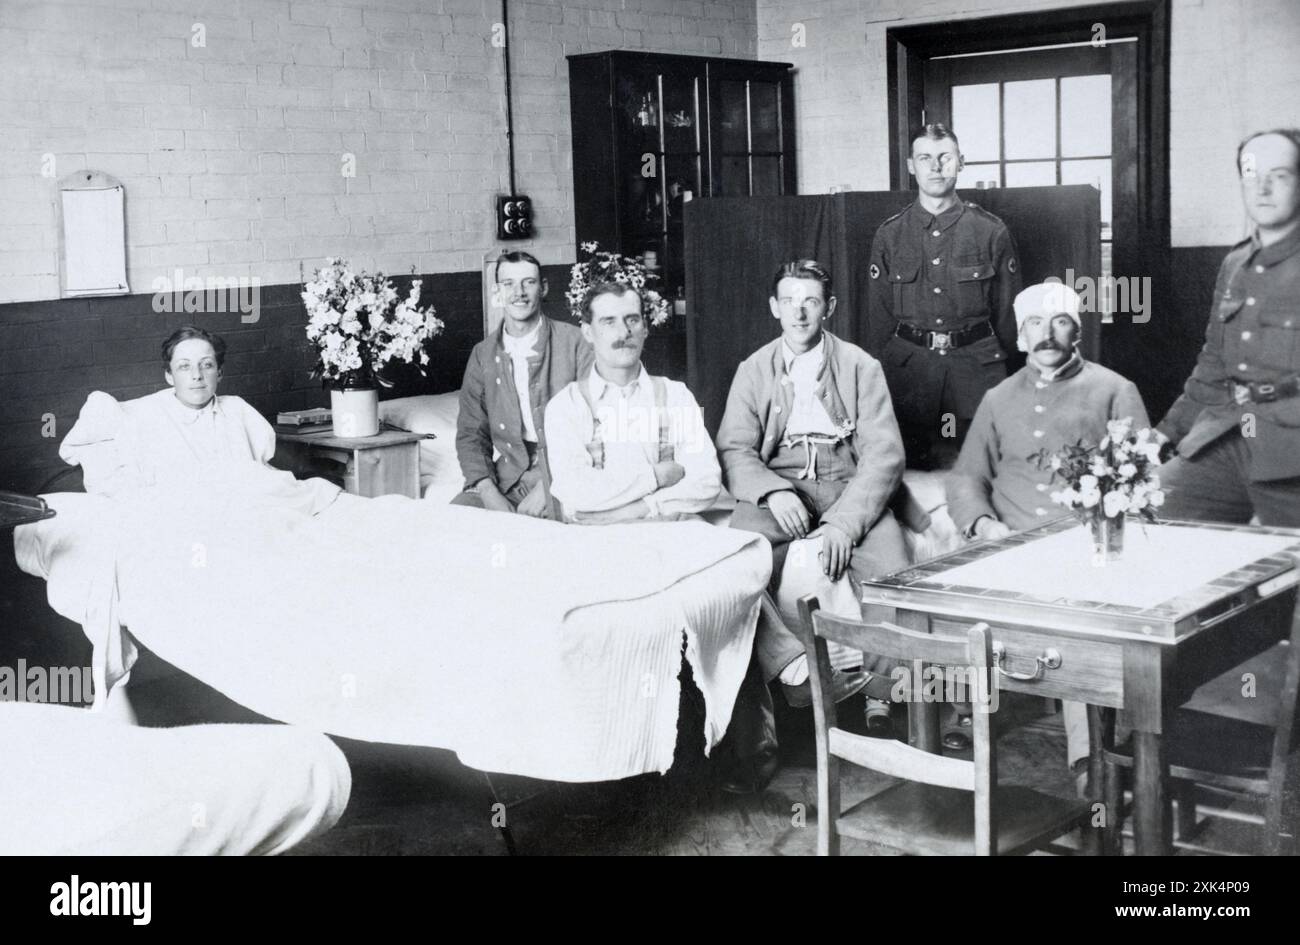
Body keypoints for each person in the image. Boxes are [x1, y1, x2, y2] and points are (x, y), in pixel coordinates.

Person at [715, 259, 914, 791]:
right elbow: (734, 447)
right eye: (789, 300)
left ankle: (881, 697)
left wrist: (846, 524)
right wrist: (773, 491)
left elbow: (884, 456)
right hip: (777, 485)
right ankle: (788, 678)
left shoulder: (859, 366)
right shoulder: (753, 368)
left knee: (893, 572)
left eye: (811, 300)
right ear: (773, 307)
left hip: (848, 482)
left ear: (829, 307)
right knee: (733, 571)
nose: (800, 311)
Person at [946, 281, 1149, 789]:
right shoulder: (998, 397)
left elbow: (1142, 480)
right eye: (1034, 324)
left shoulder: (1114, 389)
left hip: (1083, 551)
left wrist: (1105, 538)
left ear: (1077, 331)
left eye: (1058, 322)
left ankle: (1088, 764)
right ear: (1020, 337)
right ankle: (960, 740)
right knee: (946, 604)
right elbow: (967, 475)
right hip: (1006, 544)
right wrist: (982, 523)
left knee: (1074, 624)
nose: (1047, 334)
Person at [1157, 129, 1300, 528]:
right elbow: (1213, 366)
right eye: (1252, 174)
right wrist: (1164, 432)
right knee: (1140, 511)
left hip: (1293, 452)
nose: (1264, 187)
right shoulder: (1235, 265)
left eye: (1281, 175)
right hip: (1231, 433)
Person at [868, 123, 1022, 469]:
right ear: (911, 166)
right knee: (906, 470)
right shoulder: (890, 234)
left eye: (945, 157)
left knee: (981, 467)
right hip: (911, 379)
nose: (935, 167)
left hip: (976, 374)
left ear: (961, 162)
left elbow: (1008, 317)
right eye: (925, 158)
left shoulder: (990, 230)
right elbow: (879, 319)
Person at [59, 326, 339, 514]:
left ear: (219, 373)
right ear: (169, 375)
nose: (196, 375)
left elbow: (260, 471)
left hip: (246, 504)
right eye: (184, 366)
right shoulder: (143, 416)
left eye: (206, 365)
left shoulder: (237, 410)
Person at [545, 279, 720, 523]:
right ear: (587, 332)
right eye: (609, 322)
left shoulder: (676, 395)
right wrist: (655, 477)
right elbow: (575, 491)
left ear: (645, 328)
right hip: (595, 541)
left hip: (668, 531)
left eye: (632, 320)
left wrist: (638, 509)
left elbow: (707, 481)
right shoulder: (567, 406)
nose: (624, 333)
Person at [453, 251, 592, 517]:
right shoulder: (483, 354)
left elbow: (596, 427)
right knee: (456, 523)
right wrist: (489, 493)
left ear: (544, 288)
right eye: (508, 284)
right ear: (498, 292)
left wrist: (549, 486)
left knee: (551, 537)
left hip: (566, 470)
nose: (519, 292)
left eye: (528, 282)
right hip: (507, 474)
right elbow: (471, 434)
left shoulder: (576, 343)